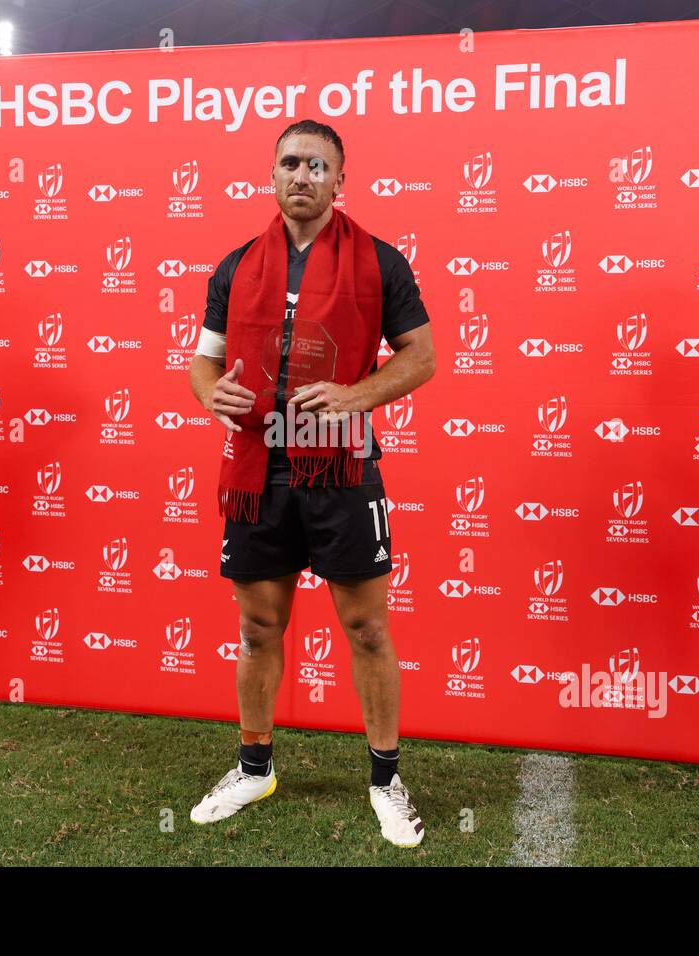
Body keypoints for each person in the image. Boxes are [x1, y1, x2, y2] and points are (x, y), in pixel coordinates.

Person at [186, 120, 436, 846]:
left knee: (365, 628)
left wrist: (357, 395)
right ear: (272, 174)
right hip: (258, 467)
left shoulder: (379, 262)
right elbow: (202, 361)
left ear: (339, 181)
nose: (302, 175)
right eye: (291, 162)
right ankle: (254, 766)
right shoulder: (236, 266)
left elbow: (421, 356)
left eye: (317, 165)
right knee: (259, 627)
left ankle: (386, 778)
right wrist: (209, 394)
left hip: (340, 466)